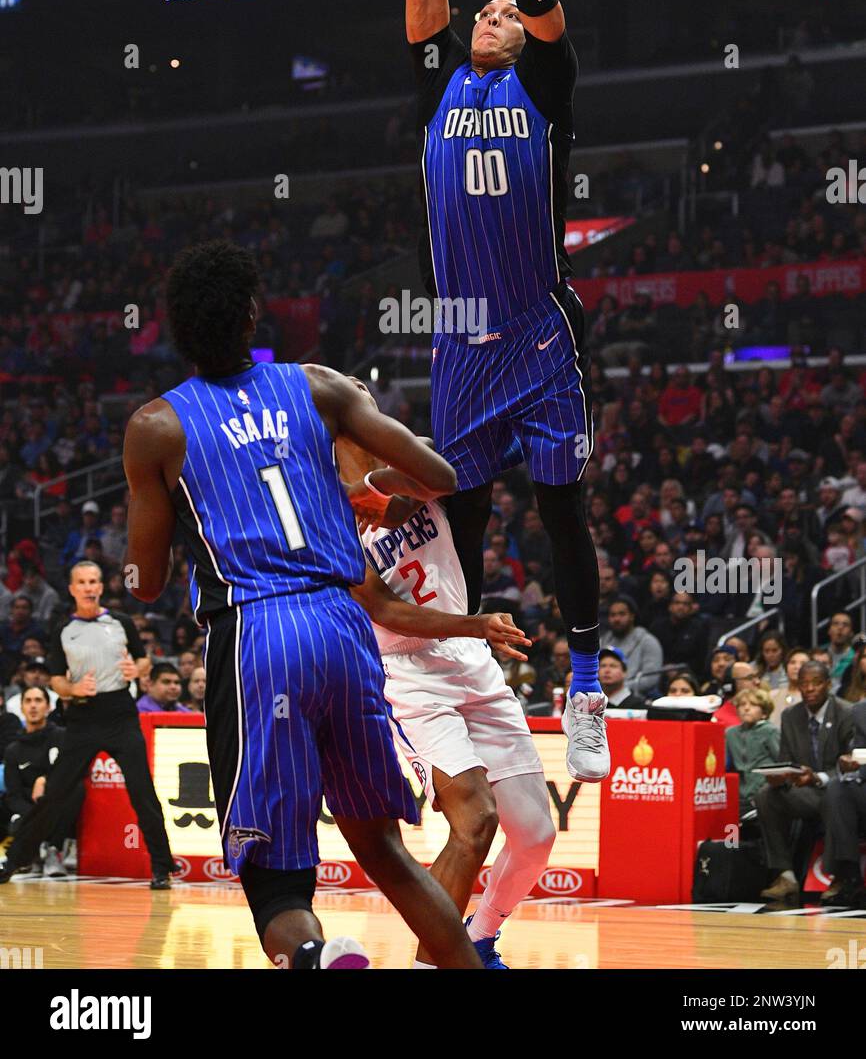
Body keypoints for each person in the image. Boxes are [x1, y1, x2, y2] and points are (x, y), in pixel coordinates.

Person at [122, 239, 483, 971]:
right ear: (254, 315)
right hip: (345, 626)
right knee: (381, 846)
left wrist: (131, 572)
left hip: (258, 633)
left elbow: (150, 582)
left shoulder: (157, 427)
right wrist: (372, 487)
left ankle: (318, 960)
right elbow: (441, 474)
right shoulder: (321, 386)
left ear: (176, 332)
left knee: (275, 884)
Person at [402, 0, 606, 782]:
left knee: (562, 510)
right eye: (479, 12)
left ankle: (587, 686)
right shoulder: (437, 83)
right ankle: (468, 685)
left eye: (504, 13)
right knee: (467, 526)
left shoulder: (546, 86)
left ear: (528, 32)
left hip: (536, 328)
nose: (491, 15)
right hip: (460, 343)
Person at [336, 381, 555, 969]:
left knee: (535, 836)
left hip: (469, 658)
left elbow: (438, 481)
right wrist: (475, 623)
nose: (362, 402)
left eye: (364, 397)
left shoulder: (412, 456)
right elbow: (384, 610)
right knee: (475, 822)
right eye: (348, 401)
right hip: (407, 676)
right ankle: (428, 964)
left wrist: (377, 487)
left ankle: (480, 939)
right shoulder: (324, 519)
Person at [0, 560, 176, 889]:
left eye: (94, 581)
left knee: (142, 793)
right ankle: (14, 860)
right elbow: (55, 680)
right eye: (82, 582)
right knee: (54, 795)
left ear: (100, 586)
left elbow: (143, 659)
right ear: (72, 589)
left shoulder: (121, 621)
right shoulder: (63, 630)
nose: (89, 587)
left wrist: (135, 669)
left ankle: (162, 868)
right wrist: (73, 689)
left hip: (121, 716)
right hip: (81, 720)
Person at [755, 661, 855, 903]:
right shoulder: (791, 715)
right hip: (804, 790)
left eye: (816, 683)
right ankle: (785, 876)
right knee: (765, 795)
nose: (810, 689)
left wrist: (819, 778)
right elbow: (785, 760)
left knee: (835, 794)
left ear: (828, 685)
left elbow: (852, 761)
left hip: (840, 789)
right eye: (804, 684)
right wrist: (781, 776)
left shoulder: (846, 712)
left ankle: (840, 876)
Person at [2, 685, 83, 879]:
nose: (33, 706)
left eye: (38, 701)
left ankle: (53, 850)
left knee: (77, 789)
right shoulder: (13, 749)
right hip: (30, 811)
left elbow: (71, 772)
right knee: (12, 812)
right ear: (21, 708)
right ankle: (35, 854)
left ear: (48, 707)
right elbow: (13, 795)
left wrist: (45, 780)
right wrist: (36, 816)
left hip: (60, 805)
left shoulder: (62, 736)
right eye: (28, 701)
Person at [820, 698, 866, 906]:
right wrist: (848, 763)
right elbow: (858, 752)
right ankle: (849, 874)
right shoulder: (860, 711)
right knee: (837, 789)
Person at [725, 687, 781, 814]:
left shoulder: (770, 731)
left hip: (766, 790)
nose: (746, 708)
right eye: (742, 704)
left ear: (764, 712)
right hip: (740, 793)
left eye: (753, 704)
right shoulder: (730, 733)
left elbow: (781, 760)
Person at [600, 594, 663, 695]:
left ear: (632, 616)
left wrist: (619, 689)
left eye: (622, 614)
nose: (617, 619)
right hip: (603, 696)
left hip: (638, 698)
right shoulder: (603, 641)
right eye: (613, 615)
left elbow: (651, 679)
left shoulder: (648, 642)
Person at [769, 646, 810, 727]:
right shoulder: (772, 695)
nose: (796, 667)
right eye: (792, 662)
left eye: (803, 663)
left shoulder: (812, 698)